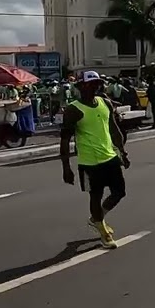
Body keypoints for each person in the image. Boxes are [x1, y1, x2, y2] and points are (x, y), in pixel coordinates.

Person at [60, 71, 130, 250]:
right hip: (89, 162)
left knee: (119, 192)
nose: (94, 87)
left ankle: (97, 219)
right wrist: (66, 167)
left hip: (110, 157)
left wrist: (122, 152)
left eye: (97, 84)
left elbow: (113, 129)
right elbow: (65, 139)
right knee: (95, 196)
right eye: (90, 84)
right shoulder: (73, 110)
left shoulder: (105, 103)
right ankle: (103, 231)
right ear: (81, 86)